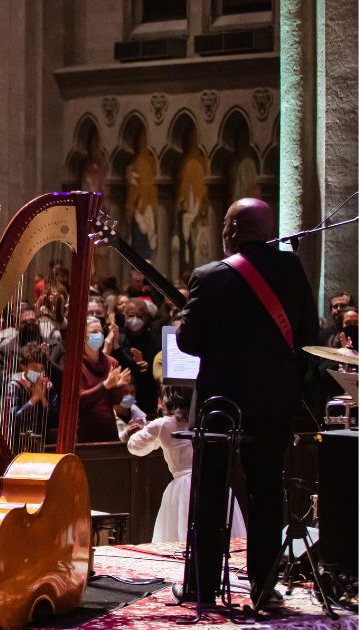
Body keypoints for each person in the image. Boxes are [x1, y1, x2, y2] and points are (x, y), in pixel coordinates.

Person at [176, 197, 318, 607]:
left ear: (233, 231)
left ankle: (202, 586)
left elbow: (189, 342)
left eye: (224, 223)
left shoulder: (208, 276)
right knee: (266, 491)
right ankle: (264, 586)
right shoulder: (291, 270)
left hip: (222, 403)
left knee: (211, 490)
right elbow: (309, 333)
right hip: (274, 402)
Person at [126, 385, 247, 544]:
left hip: (183, 487)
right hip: (213, 481)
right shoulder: (207, 420)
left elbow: (134, 447)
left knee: (182, 536)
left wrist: (142, 435)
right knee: (217, 535)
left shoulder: (163, 425)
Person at [77, 316, 130, 442]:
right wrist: (104, 386)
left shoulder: (112, 363)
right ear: (82, 336)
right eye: (94, 332)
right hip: (84, 432)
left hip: (108, 430)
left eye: (101, 332)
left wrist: (118, 387)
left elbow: (117, 403)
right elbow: (79, 400)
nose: (99, 336)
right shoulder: (75, 365)